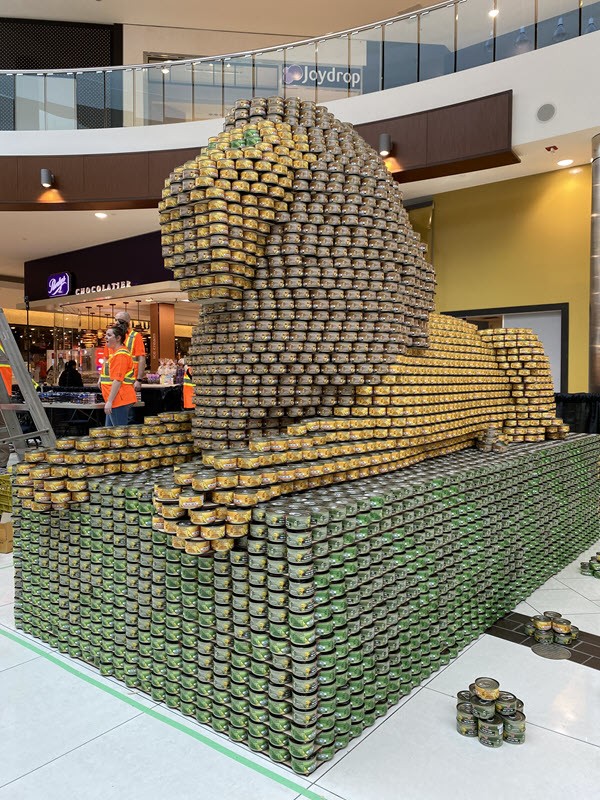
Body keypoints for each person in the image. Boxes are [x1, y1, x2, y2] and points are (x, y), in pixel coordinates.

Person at [99, 322, 137, 427]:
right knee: (112, 435)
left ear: (118, 338)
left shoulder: (120, 355)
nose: (106, 337)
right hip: (116, 399)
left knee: (118, 435)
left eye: (109, 335)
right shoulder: (116, 354)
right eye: (106, 335)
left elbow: (118, 380)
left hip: (119, 399)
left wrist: (110, 401)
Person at [113, 310, 146, 389]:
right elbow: (107, 358)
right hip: (114, 377)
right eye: (115, 320)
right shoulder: (113, 337)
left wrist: (139, 379)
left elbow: (141, 358)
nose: (117, 323)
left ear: (127, 323)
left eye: (120, 321)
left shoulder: (135, 336)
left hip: (129, 379)